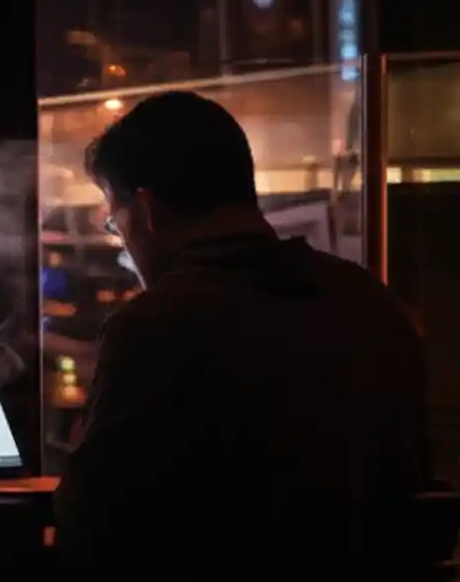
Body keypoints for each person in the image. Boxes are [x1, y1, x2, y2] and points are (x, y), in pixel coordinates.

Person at [53, 92, 432, 579]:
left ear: (146, 211)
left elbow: (91, 519)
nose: (120, 236)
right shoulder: (372, 304)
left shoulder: (156, 325)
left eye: (114, 220)